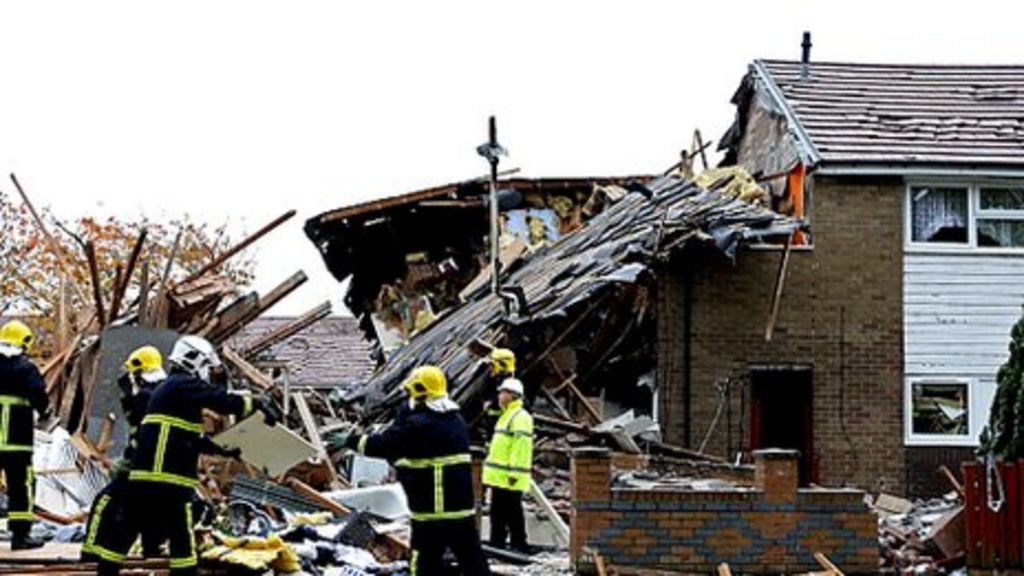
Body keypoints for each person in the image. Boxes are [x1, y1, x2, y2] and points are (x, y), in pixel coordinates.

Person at [98, 335, 273, 576]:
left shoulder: (171, 392)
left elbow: (188, 438)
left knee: (128, 526)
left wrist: (222, 449)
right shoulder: (182, 384)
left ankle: (105, 571)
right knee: (180, 534)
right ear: (194, 360)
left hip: (150, 474)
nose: (207, 373)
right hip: (167, 477)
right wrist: (256, 403)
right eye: (206, 365)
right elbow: (219, 400)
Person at [338, 365, 489, 575]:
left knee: (424, 563)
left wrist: (350, 440)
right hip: (461, 509)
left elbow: (384, 444)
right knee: (472, 559)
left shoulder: (420, 424)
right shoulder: (456, 421)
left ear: (420, 392)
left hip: (432, 511)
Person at [82, 345, 168, 562]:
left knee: (105, 503)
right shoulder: (166, 393)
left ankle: (91, 553)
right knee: (151, 509)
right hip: (161, 467)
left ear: (140, 372)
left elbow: (140, 432)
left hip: (139, 464)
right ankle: (152, 550)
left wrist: (127, 462)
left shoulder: (146, 397)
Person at [0, 320, 49, 550]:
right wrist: (43, 410)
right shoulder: (25, 369)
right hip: (16, 440)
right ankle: (20, 537)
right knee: (20, 487)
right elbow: (40, 396)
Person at [483, 378, 533, 553]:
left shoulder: (520, 417)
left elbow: (521, 448)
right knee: (498, 512)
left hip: (510, 476)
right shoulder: (506, 415)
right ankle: (497, 542)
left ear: (512, 395)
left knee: (513, 513)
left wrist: (514, 472)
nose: (499, 395)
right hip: (500, 476)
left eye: (502, 392)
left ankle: (519, 544)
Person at [480, 348, 516, 438]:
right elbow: (484, 390)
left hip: (503, 423)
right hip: (491, 421)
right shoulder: (492, 378)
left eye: (493, 364)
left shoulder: (510, 385)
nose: (491, 367)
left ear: (502, 364)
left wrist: (490, 402)